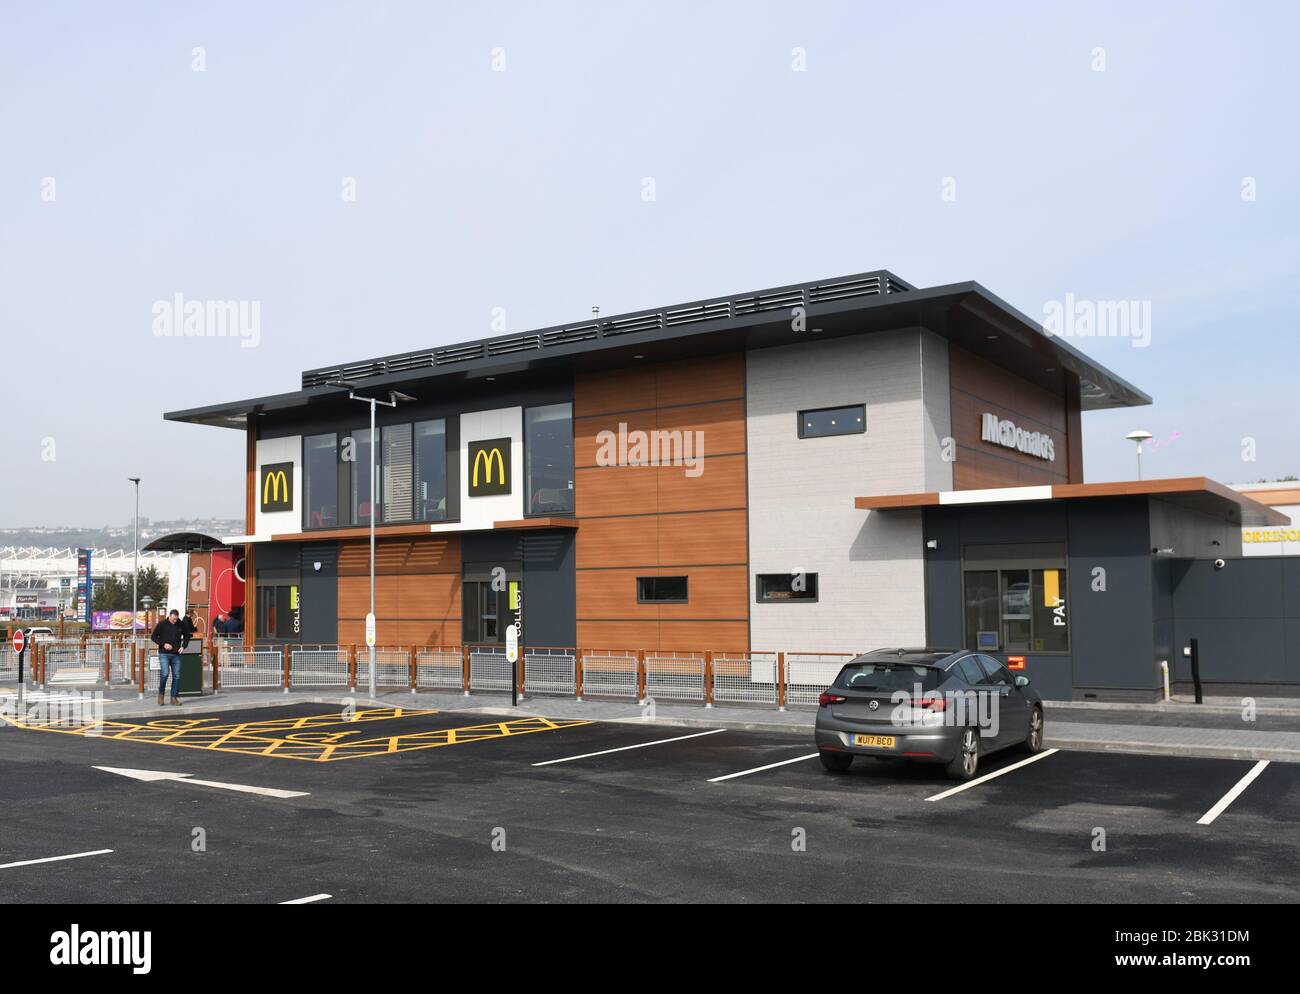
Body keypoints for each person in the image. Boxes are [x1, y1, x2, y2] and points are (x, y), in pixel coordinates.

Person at [150, 609, 186, 706]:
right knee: (165, 674)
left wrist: (183, 646)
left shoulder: (181, 624)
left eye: (176, 619)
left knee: (177, 676)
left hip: (176, 654)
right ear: (170, 616)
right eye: (174, 619)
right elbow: (153, 637)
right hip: (164, 654)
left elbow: (187, 636)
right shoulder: (162, 624)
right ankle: (161, 695)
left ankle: (173, 698)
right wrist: (163, 644)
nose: (175, 621)